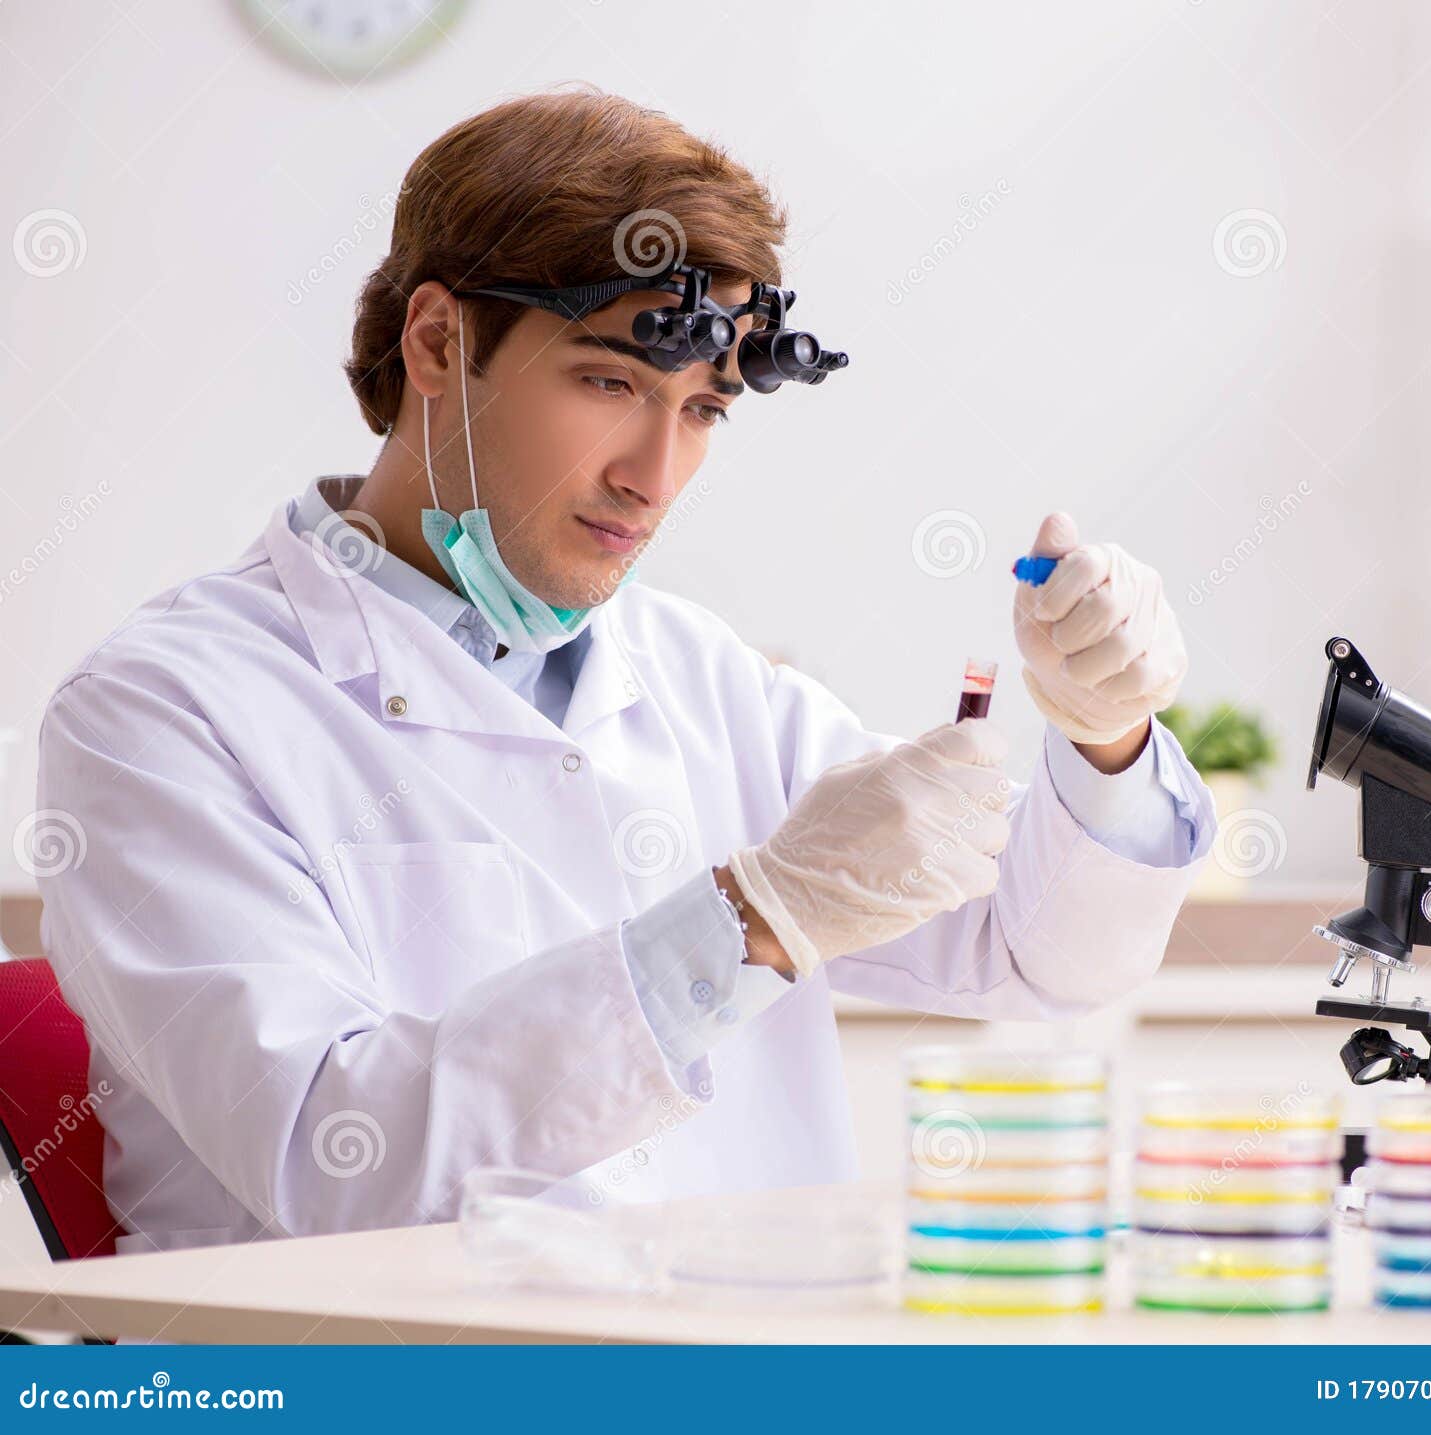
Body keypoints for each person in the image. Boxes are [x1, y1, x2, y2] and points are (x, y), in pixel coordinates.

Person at [33, 89, 1215, 1253]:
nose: (656, 474)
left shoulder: (698, 675)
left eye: (704, 409)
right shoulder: (163, 711)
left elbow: (1040, 953)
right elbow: (333, 1159)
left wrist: (1104, 738)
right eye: (610, 383)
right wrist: (753, 917)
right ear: (441, 342)